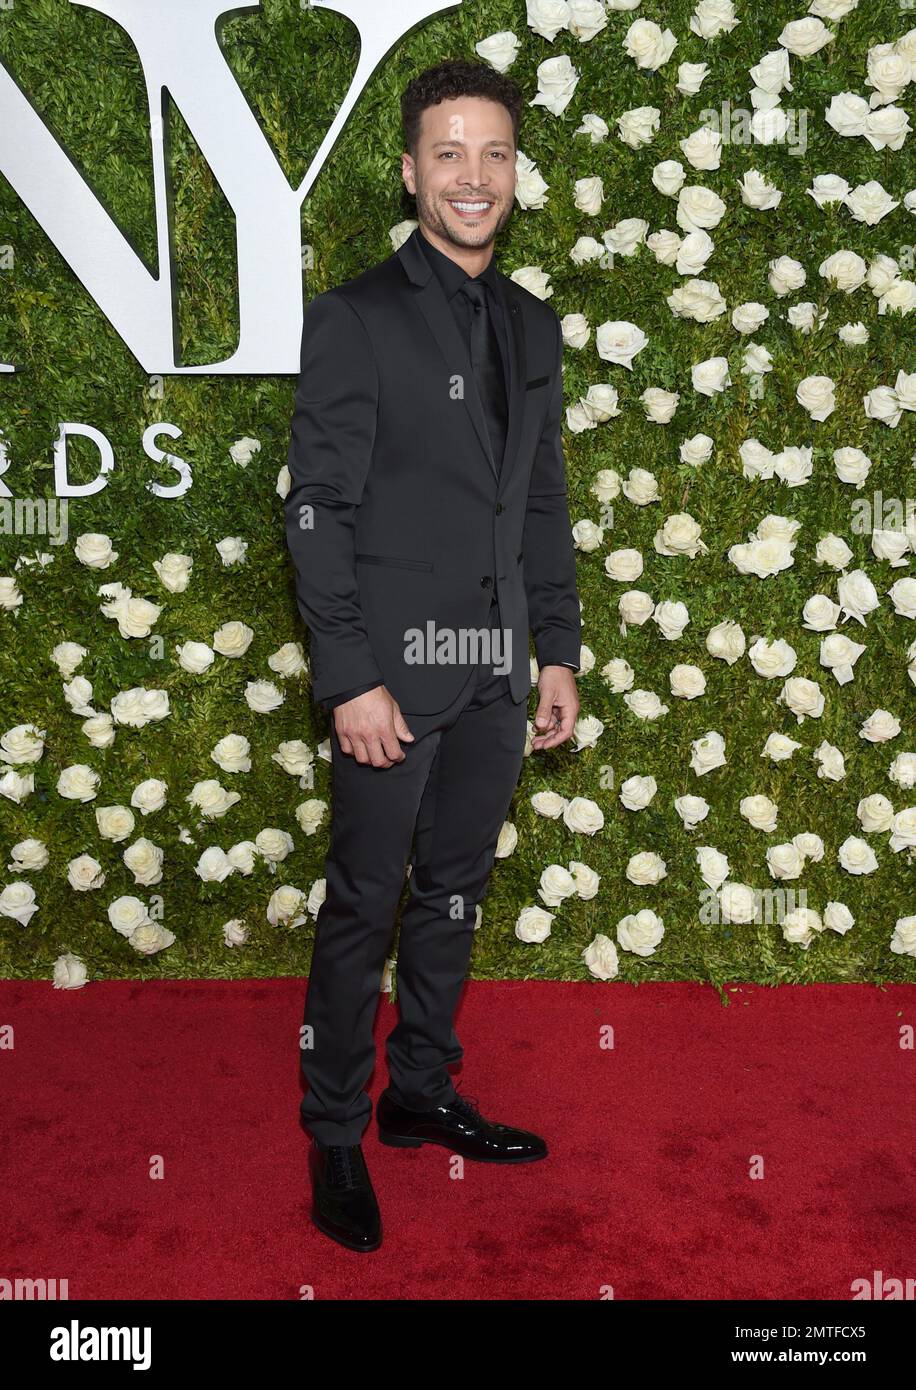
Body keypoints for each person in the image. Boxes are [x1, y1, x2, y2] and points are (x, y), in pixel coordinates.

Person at [284, 58, 581, 1252]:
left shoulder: (530, 322)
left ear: (516, 174)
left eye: (494, 153)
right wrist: (349, 672)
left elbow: (541, 501)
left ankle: (419, 1093)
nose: (473, 176)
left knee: (455, 893)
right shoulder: (356, 315)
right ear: (409, 171)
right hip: (391, 681)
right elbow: (315, 507)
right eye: (448, 153)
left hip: (499, 673)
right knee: (364, 903)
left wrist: (553, 648)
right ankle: (332, 1133)